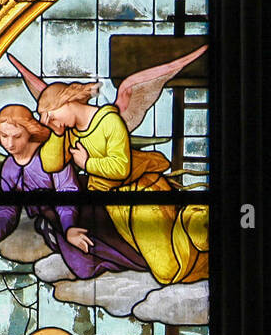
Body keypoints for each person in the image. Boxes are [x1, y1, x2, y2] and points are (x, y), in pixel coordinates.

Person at [36, 82, 209, 285]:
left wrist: (87, 163)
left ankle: (194, 218)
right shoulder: (70, 132)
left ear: (66, 103)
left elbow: (121, 168)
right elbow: (50, 164)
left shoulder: (109, 121)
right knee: (162, 270)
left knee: (168, 272)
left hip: (143, 193)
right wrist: (56, 133)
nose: (55, 123)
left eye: (53, 117)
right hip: (117, 207)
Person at [0, 104, 146, 278]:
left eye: (16, 136)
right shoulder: (9, 167)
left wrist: (70, 227)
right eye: (4, 137)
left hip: (86, 212)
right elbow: (7, 209)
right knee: (84, 265)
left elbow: (68, 192)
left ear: (30, 132)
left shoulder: (51, 154)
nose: (10, 144)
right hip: (57, 224)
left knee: (124, 252)